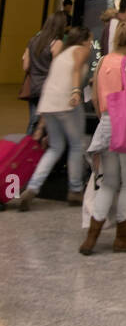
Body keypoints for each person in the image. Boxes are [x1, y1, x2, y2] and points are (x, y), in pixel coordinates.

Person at [80, 19, 126, 255]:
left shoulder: (103, 61)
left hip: (106, 124)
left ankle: (91, 239)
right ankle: (123, 237)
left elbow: (94, 98)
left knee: (109, 182)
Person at [14, 26, 94, 209]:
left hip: (49, 103)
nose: (91, 44)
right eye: (89, 40)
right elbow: (75, 71)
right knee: (76, 145)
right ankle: (75, 190)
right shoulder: (81, 50)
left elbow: (52, 81)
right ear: (82, 40)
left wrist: (41, 125)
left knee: (55, 148)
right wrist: (75, 92)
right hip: (68, 103)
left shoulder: (62, 55)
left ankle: (33, 187)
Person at [22, 11, 69, 135]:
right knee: (46, 126)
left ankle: (26, 149)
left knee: (33, 121)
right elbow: (57, 69)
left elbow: (26, 66)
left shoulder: (33, 41)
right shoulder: (57, 43)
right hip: (48, 88)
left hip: (34, 86)